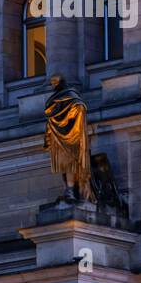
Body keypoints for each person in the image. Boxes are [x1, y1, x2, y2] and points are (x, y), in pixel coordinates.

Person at [44, 74, 95, 202]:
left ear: (62, 82)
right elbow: (51, 117)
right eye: (52, 83)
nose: (54, 85)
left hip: (72, 135)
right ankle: (69, 189)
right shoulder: (54, 99)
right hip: (59, 135)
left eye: (56, 82)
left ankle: (72, 190)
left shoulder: (72, 96)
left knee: (71, 165)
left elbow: (80, 108)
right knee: (65, 166)